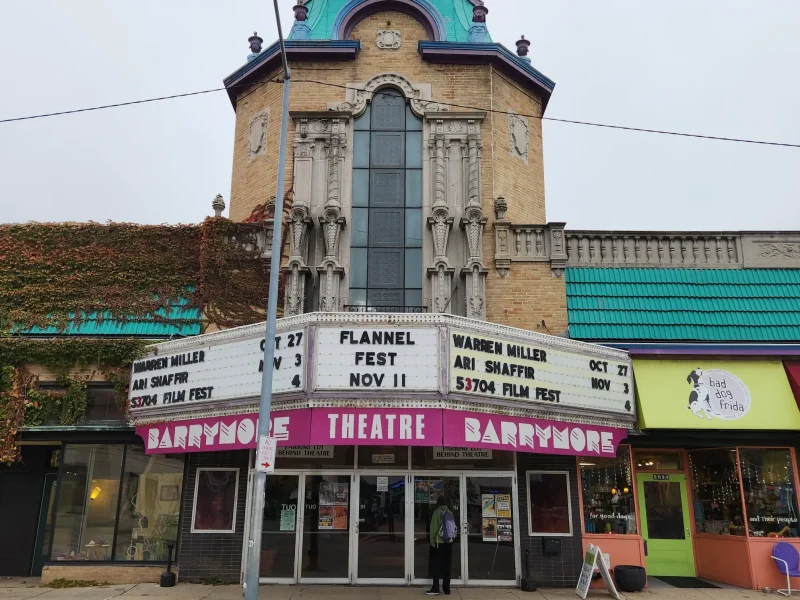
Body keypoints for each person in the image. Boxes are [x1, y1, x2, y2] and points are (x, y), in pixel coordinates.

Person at [427, 496, 453, 596]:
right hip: (449, 542)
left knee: (436, 566)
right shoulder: (449, 512)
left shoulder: (437, 512)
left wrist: (432, 542)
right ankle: (446, 589)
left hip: (439, 543)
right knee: (447, 566)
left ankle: (435, 588)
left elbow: (433, 529)